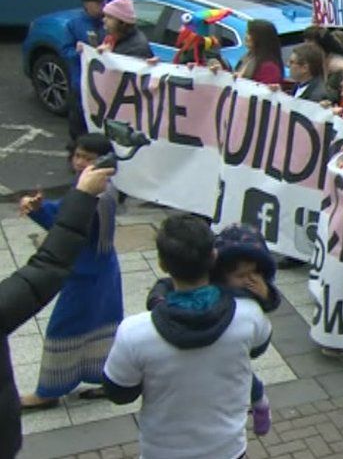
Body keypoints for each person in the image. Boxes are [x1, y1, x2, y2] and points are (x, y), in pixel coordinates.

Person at [102, 215, 273, 459]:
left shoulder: (134, 333)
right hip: (228, 450)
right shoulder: (249, 315)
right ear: (213, 257)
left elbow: (120, 393)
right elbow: (257, 348)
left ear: (162, 264)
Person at [1, 165, 114, 459]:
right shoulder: (92, 198)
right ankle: (55, 389)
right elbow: (47, 267)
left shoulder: (106, 201)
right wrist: (82, 196)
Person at [144, 223, 282, 436]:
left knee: (247, 378)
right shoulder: (210, 285)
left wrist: (266, 295)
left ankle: (260, 403)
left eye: (254, 273)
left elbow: (268, 311)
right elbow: (164, 285)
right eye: (241, 274)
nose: (249, 279)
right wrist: (159, 302)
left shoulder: (251, 294)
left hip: (232, 350)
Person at [18, 134, 122, 409]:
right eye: (78, 155)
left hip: (85, 275)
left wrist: (38, 212)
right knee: (105, 327)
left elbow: (68, 225)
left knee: (62, 329)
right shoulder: (98, 188)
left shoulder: (97, 197)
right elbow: (68, 210)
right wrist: (41, 209)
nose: (80, 163)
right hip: (102, 271)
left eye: (88, 158)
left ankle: (48, 392)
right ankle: (110, 379)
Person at [66, 0, 108, 139]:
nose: (102, 6)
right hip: (81, 85)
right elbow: (66, 51)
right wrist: (76, 52)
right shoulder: (74, 25)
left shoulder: (109, 22)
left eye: (103, 2)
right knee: (79, 127)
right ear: (86, 4)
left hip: (103, 85)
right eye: (98, 3)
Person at [235, 19, 283, 85]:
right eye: (247, 33)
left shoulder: (269, 68)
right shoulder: (247, 57)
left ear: (261, 38)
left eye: (250, 34)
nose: (246, 37)